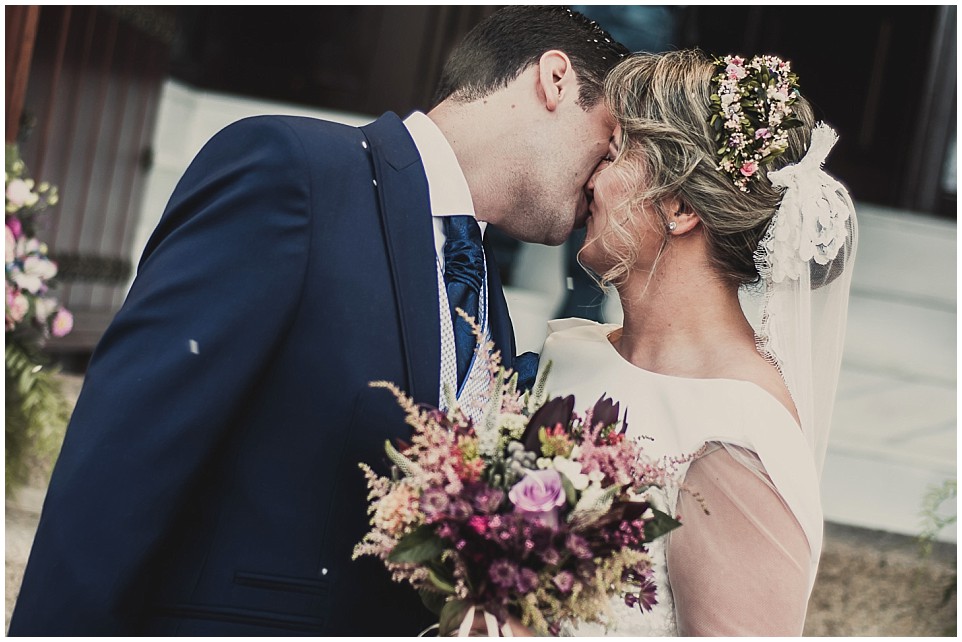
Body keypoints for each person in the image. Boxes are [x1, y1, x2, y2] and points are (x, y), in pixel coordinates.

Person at [8, 7, 628, 636]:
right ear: (555, 80)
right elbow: (125, 455)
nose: (607, 179)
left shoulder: (487, 299)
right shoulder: (293, 172)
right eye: (610, 142)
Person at [539, 50, 857, 635]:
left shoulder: (734, 436)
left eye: (614, 153)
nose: (588, 176)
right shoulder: (577, 352)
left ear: (680, 206)